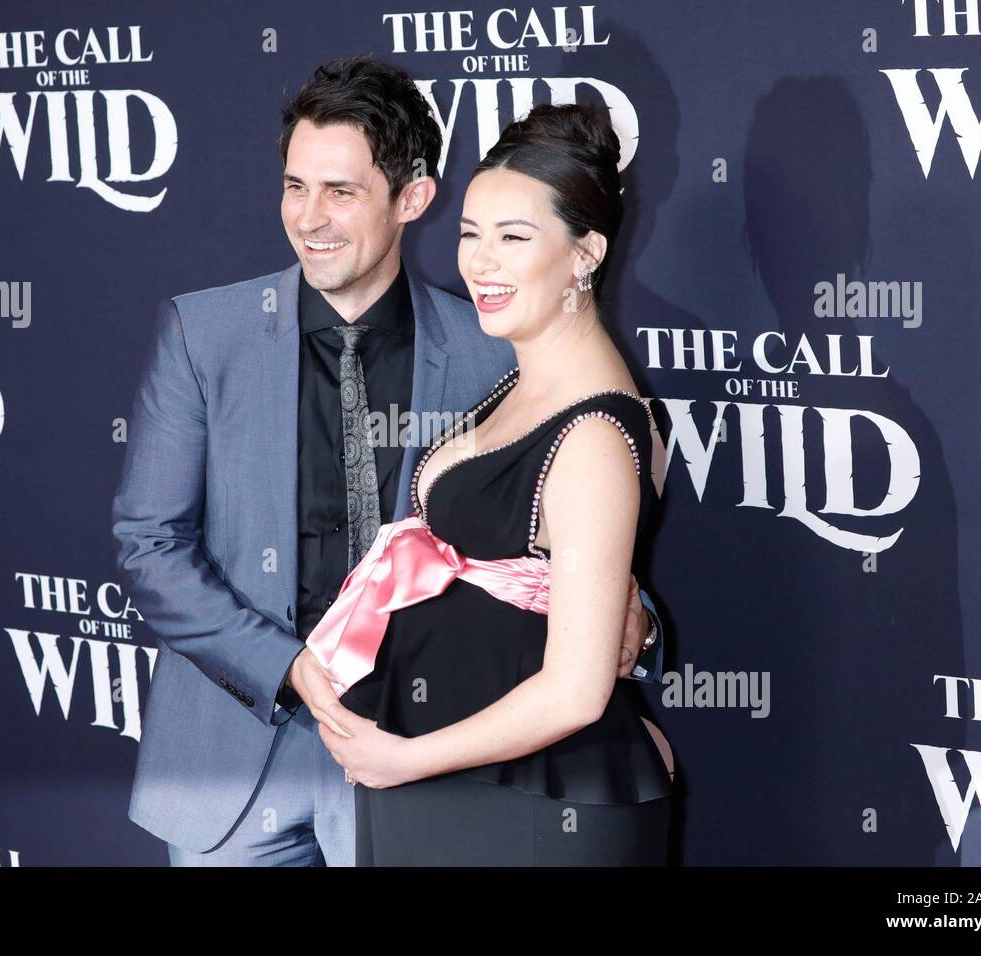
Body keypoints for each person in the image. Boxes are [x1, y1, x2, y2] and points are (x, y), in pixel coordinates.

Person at [110, 56, 665, 867]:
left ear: (413, 198)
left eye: (341, 192)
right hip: (236, 750)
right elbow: (149, 544)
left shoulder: (494, 342)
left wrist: (630, 610)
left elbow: (558, 499)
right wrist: (290, 668)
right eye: (296, 187)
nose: (310, 218)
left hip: (426, 749)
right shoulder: (205, 335)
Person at [311, 102, 674, 865]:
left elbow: (577, 690)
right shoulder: (517, 383)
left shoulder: (595, 438)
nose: (481, 262)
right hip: (442, 786)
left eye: (515, 238)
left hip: (526, 807)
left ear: (585, 254)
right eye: (472, 234)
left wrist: (404, 761)